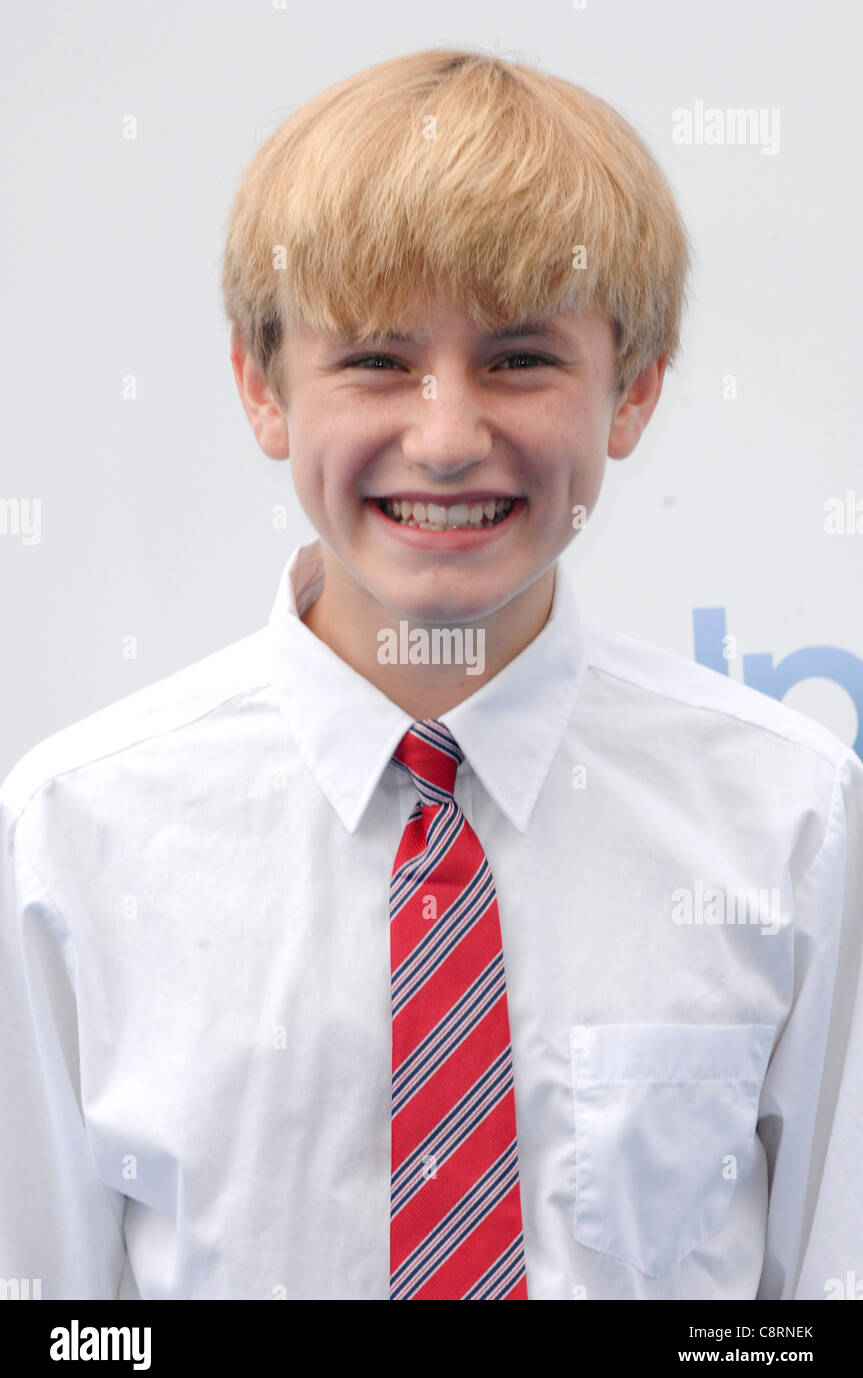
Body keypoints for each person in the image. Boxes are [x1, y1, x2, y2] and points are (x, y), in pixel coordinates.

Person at [1, 46, 861, 1302]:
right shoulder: (76, 834)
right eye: (373, 361)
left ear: (632, 392)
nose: (448, 438)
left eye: (519, 359)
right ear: (261, 389)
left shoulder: (790, 819)